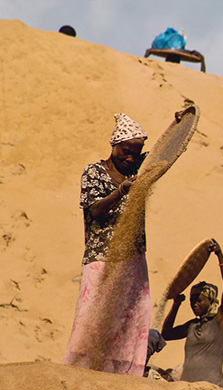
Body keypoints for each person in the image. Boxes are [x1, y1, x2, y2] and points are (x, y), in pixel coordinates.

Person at [63, 113, 150, 375]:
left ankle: (125, 373)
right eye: (126, 151)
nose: (130, 158)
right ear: (114, 146)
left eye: (136, 153)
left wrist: (179, 123)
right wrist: (120, 191)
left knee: (133, 318)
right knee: (93, 316)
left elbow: (164, 153)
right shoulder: (94, 172)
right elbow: (96, 211)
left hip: (132, 259)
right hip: (101, 258)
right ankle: (81, 370)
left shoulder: (138, 171)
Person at [161, 240, 223, 388]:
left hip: (212, 388)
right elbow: (166, 334)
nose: (195, 304)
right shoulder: (192, 326)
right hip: (187, 389)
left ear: (210, 300)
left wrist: (220, 256)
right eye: (192, 300)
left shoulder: (220, 320)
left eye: (199, 300)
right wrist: (176, 305)